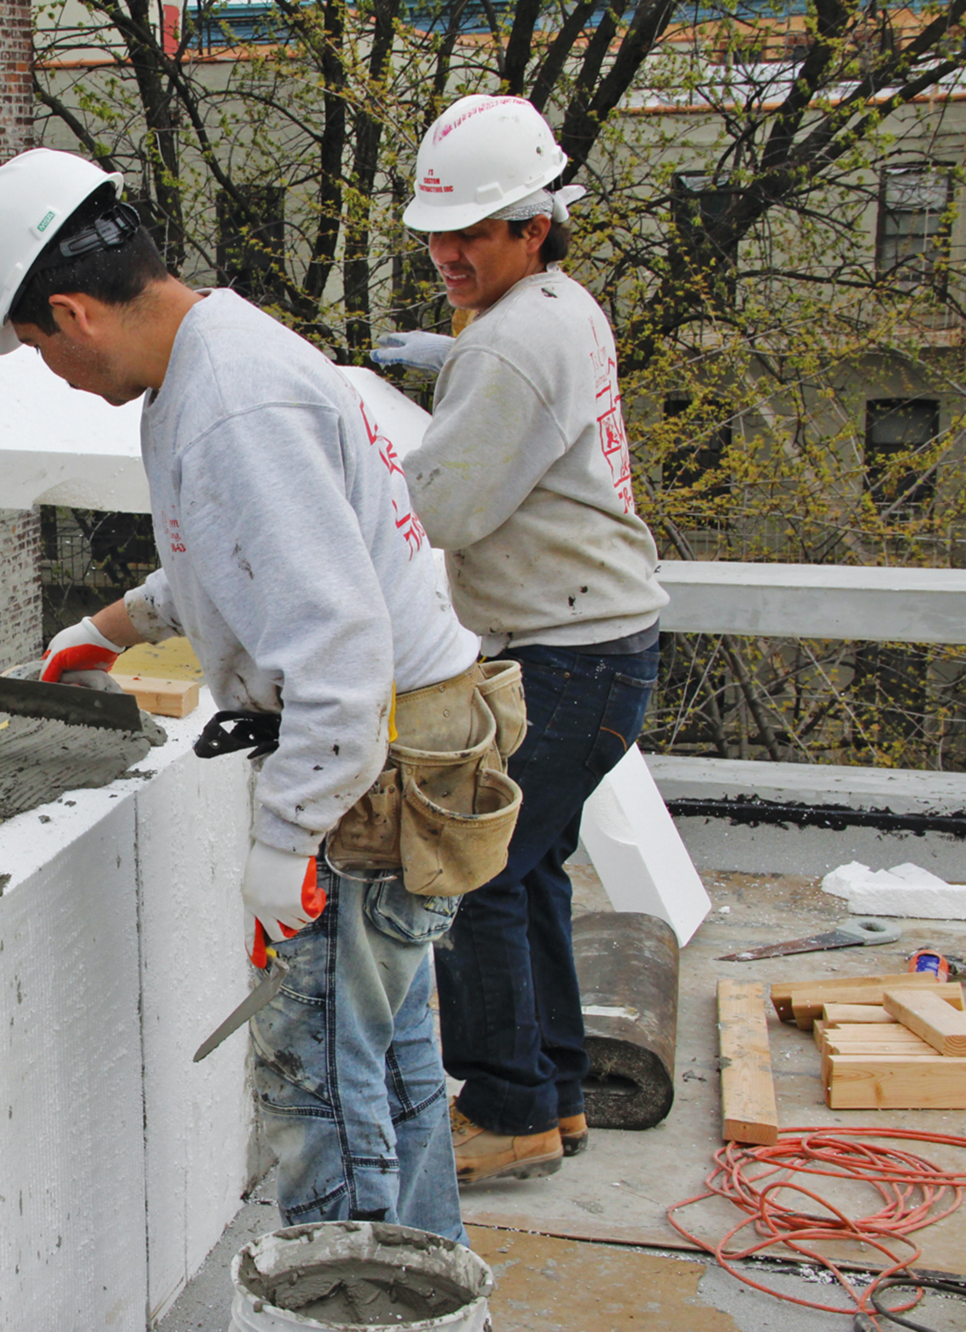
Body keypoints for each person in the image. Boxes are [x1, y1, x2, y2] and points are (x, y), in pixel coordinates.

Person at [0, 148, 507, 1241]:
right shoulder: (214, 349)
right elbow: (241, 549)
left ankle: (348, 1306)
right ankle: (426, 1285)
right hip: (408, 737)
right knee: (384, 1056)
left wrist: (286, 838)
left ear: (73, 311)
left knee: (317, 1086)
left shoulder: (228, 407)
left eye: (40, 349)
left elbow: (338, 650)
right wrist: (106, 631)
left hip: (380, 762)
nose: (53, 374)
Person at [377, 95, 669, 1184]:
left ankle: (505, 1114)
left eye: (471, 235)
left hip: (567, 656)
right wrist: (459, 360)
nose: (447, 255)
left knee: (475, 874)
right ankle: (553, 1095)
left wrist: (390, 443)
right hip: (601, 648)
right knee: (533, 866)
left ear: (533, 226)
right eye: (436, 235)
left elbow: (444, 510)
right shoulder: (558, 305)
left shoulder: (511, 342)